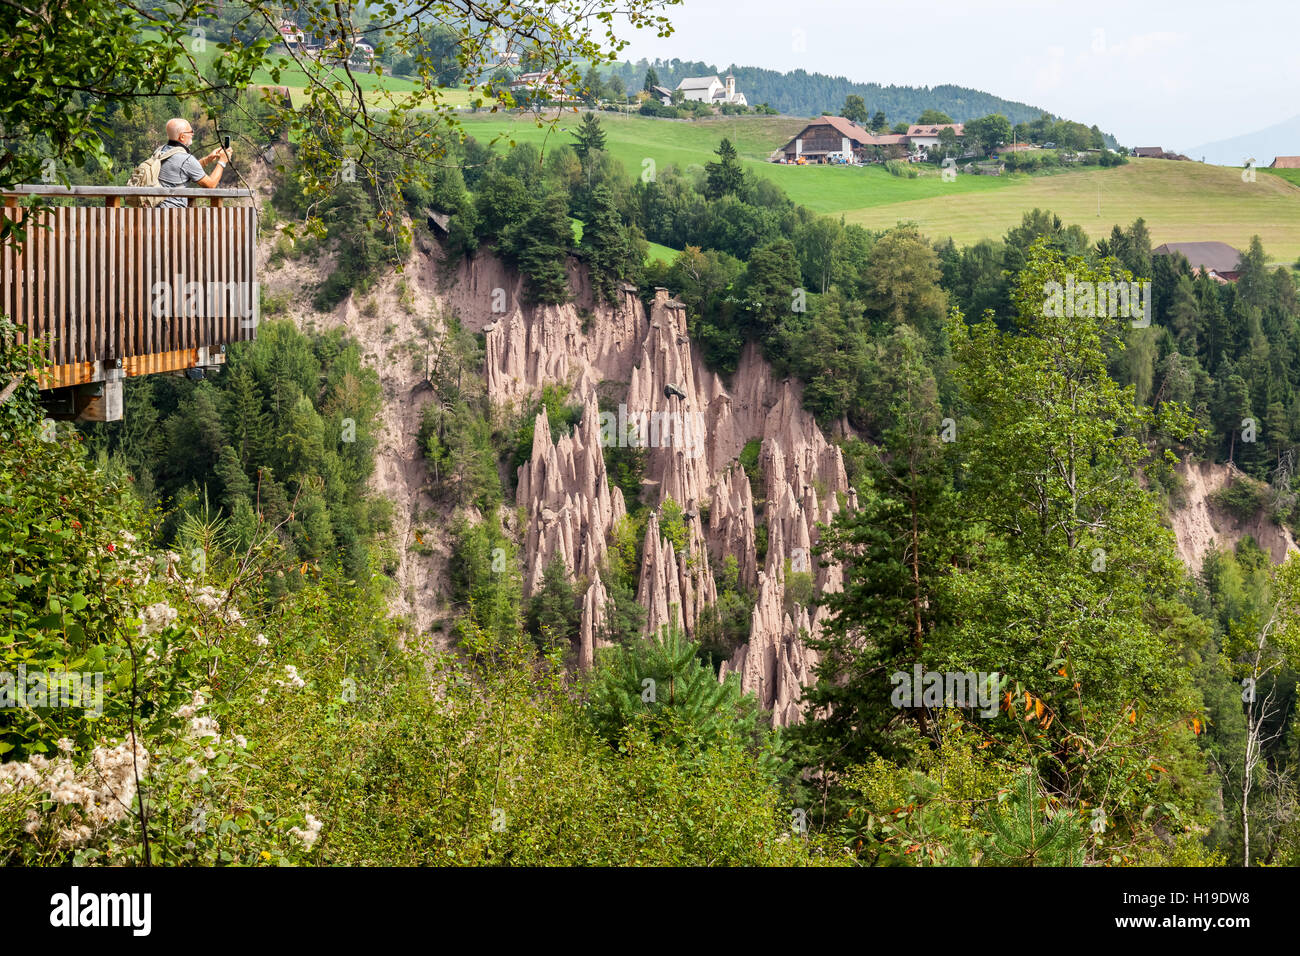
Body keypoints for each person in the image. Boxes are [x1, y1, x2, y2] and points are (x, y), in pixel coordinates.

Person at [156, 118, 232, 208]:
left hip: (155, 211)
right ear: (182, 137)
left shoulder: (160, 151)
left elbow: (183, 169)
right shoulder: (185, 159)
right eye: (190, 131)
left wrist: (207, 159)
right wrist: (222, 161)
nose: (193, 134)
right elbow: (211, 185)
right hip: (173, 213)